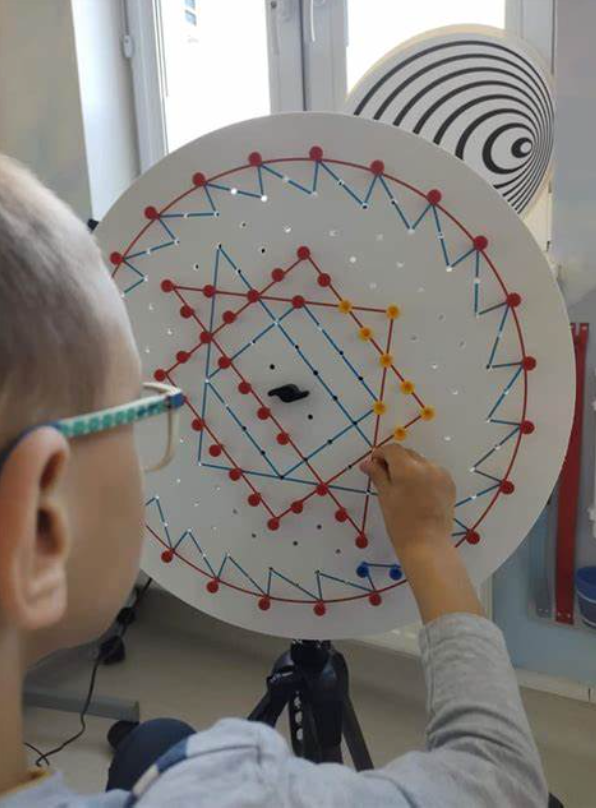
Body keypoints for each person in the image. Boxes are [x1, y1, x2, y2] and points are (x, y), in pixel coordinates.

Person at [0, 154, 547, 807]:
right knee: (161, 747)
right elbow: (501, 781)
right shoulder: (237, 793)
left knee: (153, 742)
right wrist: (429, 543)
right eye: (142, 409)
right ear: (41, 520)